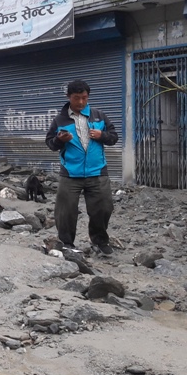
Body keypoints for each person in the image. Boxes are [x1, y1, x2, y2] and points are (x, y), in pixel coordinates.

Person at [45, 79, 119, 256]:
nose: (80, 102)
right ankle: (66, 244)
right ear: (68, 97)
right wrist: (59, 140)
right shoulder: (59, 120)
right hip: (70, 174)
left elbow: (113, 137)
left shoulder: (99, 116)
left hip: (97, 172)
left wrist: (102, 135)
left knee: (103, 208)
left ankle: (100, 242)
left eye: (84, 98)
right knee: (65, 212)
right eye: (76, 98)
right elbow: (50, 144)